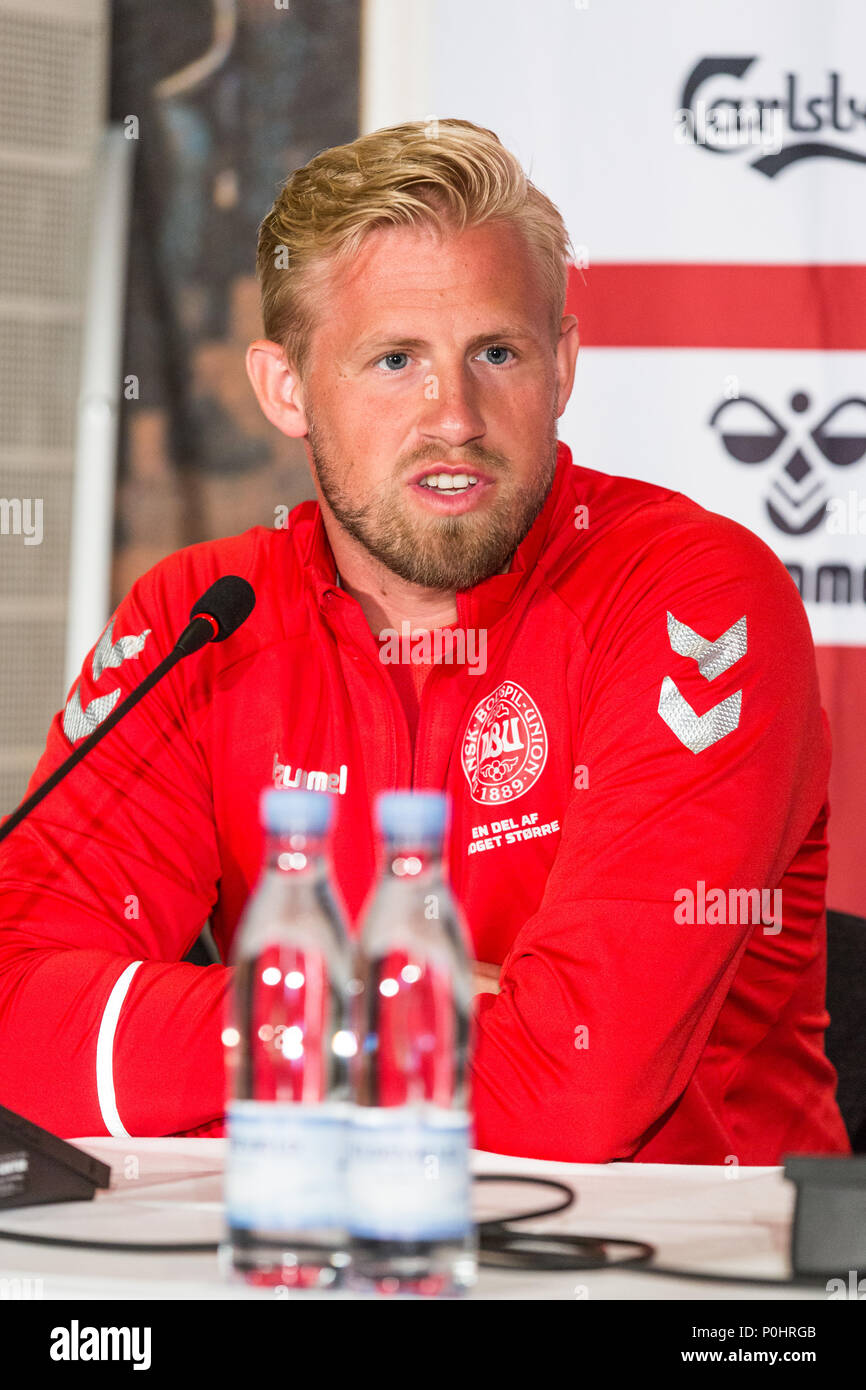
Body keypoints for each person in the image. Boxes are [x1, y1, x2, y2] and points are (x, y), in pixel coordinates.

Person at [0, 119, 850, 1163]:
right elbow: (13, 1024)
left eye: (497, 352)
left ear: (564, 365)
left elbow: (570, 1098)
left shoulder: (691, 596)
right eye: (393, 359)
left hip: (674, 1282)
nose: (454, 415)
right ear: (284, 390)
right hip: (311, 1257)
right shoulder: (199, 618)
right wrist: (368, 1006)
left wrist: (230, 1042)